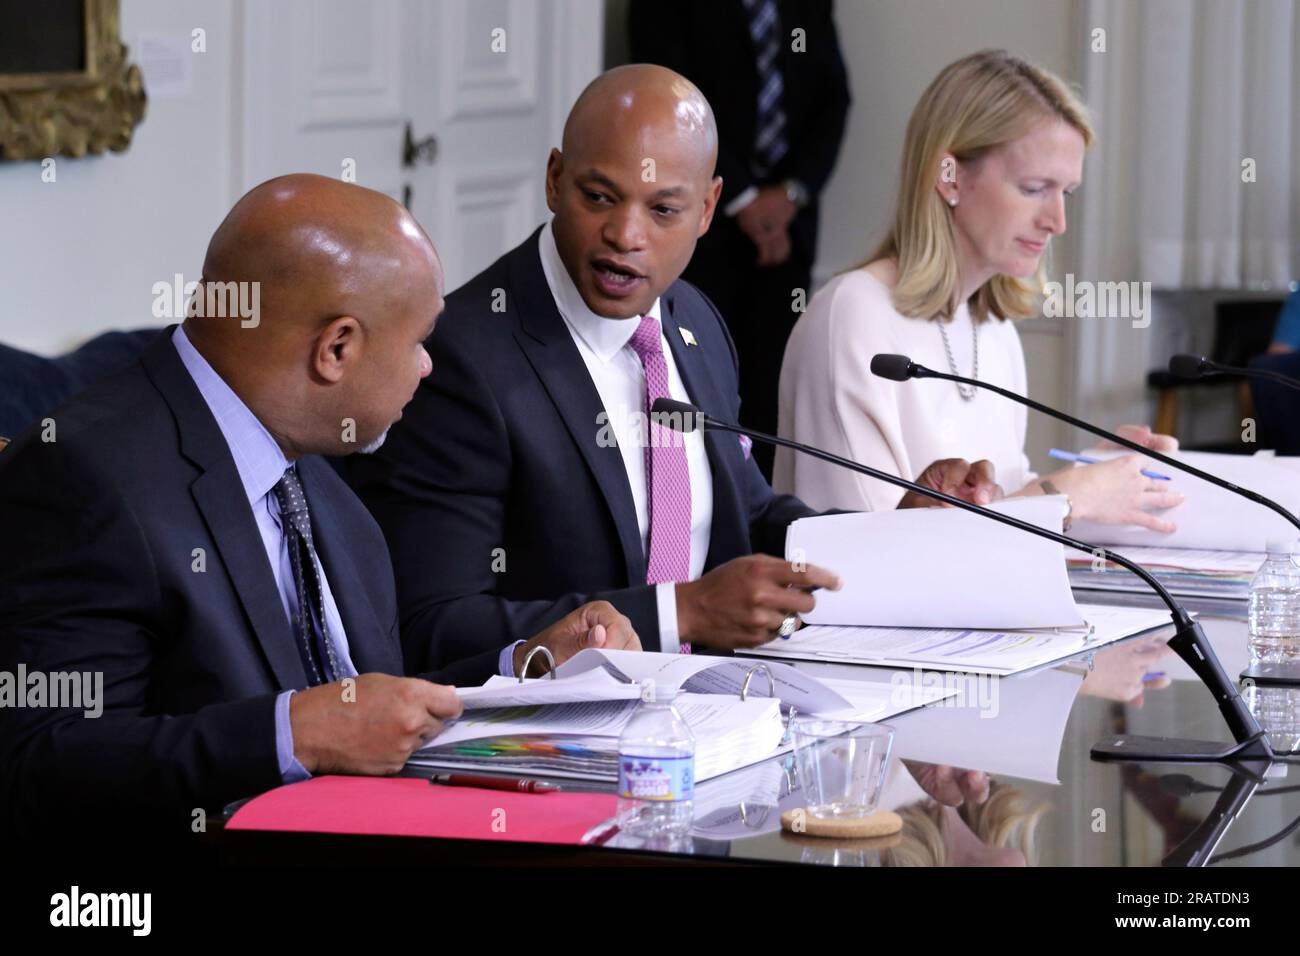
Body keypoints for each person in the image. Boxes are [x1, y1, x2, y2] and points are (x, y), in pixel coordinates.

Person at [0, 174, 636, 855]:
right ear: (335, 350)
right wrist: (292, 733)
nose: (427, 368)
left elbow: (362, 698)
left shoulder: (319, 474)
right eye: (421, 341)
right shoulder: (86, 476)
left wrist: (525, 663)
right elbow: (42, 759)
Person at [350, 65, 998, 674]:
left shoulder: (693, 321)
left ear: (709, 209)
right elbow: (429, 627)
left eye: (663, 210)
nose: (626, 235)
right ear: (554, 180)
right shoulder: (464, 358)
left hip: (711, 723)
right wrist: (679, 612)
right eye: (599, 196)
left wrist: (890, 538)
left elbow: (746, 516)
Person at [776, 50, 1184, 533]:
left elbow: (1001, 510)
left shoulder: (994, 330)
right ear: (949, 177)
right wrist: (1067, 494)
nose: (1057, 221)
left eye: (1066, 193)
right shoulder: (851, 316)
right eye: (1034, 188)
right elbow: (863, 553)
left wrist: (1092, 472)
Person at [629, 0, 851, 480]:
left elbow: (834, 99)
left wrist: (790, 195)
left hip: (788, 231)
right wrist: (744, 199)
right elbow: (664, 97)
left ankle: (756, 521)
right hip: (701, 229)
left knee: (769, 389)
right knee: (695, 380)